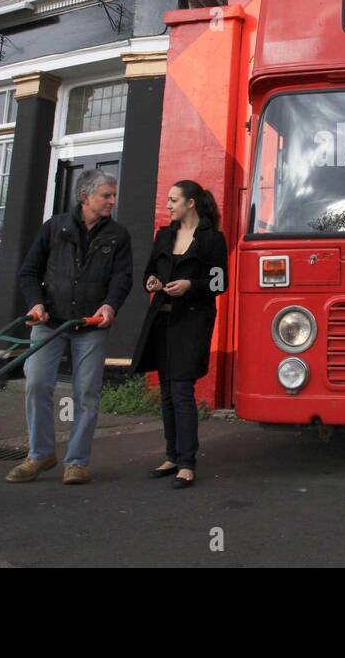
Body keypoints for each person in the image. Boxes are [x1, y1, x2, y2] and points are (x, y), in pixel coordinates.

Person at [7, 169, 131, 485]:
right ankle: (40, 454)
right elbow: (29, 271)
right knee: (36, 383)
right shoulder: (54, 227)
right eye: (107, 195)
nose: (112, 201)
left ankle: (76, 461)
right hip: (50, 323)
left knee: (86, 393)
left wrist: (110, 304)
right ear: (85, 196)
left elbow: (122, 277)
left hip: (90, 325)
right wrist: (36, 302)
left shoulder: (118, 235)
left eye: (114, 195)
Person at [130, 180, 228, 489]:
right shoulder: (164, 235)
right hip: (162, 321)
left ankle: (187, 462)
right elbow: (148, 272)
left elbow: (219, 283)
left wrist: (190, 286)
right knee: (167, 392)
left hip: (192, 323)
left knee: (182, 390)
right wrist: (152, 282)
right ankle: (171, 456)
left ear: (191, 203)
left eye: (173, 200)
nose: (168, 205)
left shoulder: (213, 239)